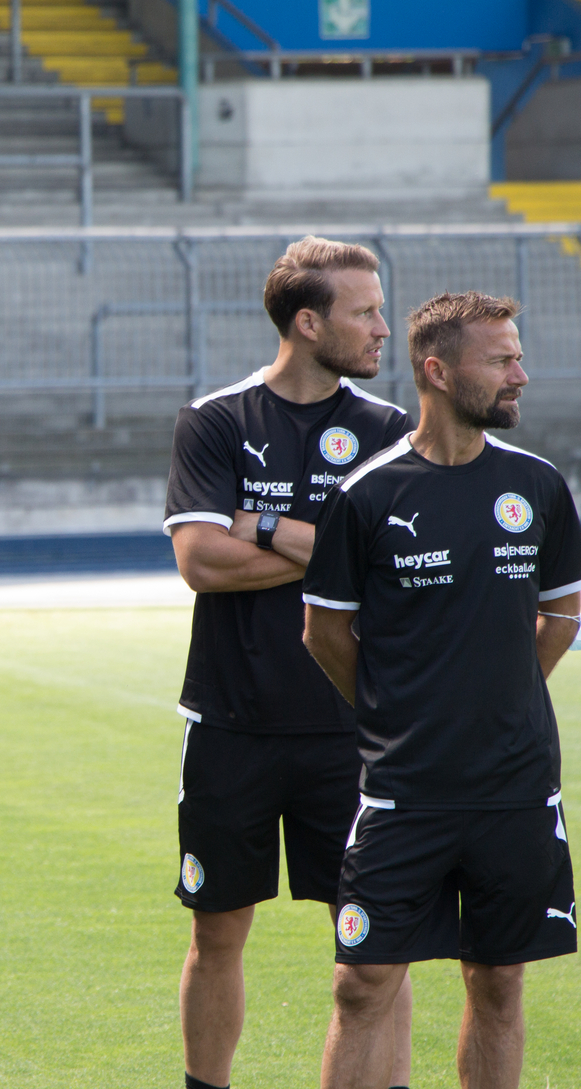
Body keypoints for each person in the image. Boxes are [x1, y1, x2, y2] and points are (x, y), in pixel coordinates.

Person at [302, 291, 581, 1089]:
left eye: (518, 357)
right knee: (361, 982)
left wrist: (498, 693)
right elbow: (324, 633)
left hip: (515, 788)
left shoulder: (537, 484)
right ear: (437, 371)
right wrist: (399, 711)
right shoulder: (367, 494)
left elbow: (562, 615)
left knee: (498, 981)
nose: (520, 375)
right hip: (404, 791)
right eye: (501, 361)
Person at [163, 237, 414, 1089]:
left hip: (354, 730)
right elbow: (201, 560)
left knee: (376, 947)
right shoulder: (217, 420)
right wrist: (335, 549)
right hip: (230, 724)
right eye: (364, 311)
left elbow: (390, 566)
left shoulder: (390, 433)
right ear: (308, 323)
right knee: (216, 932)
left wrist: (263, 525)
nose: (382, 327)